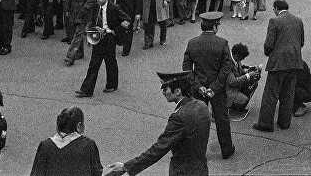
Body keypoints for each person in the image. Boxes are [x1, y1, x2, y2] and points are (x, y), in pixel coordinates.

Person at [104, 71, 210, 176]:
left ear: (177, 91)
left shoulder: (179, 117)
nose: (163, 92)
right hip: (201, 169)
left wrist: (126, 166)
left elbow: (159, 149)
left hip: (182, 171)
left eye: (165, 89)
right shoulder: (202, 106)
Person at [182, 12, 234, 159]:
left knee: (198, 120)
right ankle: (227, 150)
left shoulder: (192, 43)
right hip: (217, 89)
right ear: (215, 27)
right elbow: (226, 68)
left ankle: (198, 152)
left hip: (199, 88)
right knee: (222, 119)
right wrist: (215, 87)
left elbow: (186, 68)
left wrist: (198, 86)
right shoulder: (222, 43)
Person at [253, 0, 305, 132]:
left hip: (278, 63)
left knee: (271, 94)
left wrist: (269, 52)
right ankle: (284, 122)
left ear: (276, 8)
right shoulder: (298, 21)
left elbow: (269, 44)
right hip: (294, 62)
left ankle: (265, 124)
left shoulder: (275, 21)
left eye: (274, 9)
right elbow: (302, 42)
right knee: (288, 94)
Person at [76, 0, 130, 97]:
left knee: (110, 62)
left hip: (109, 38)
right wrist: (90, 35)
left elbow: (127, 20)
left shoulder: (114, 8)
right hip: (98, 37)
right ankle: (86, 90)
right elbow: (92, 21)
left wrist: (115, 31)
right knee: (94, 63)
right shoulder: (96, 7)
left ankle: (112, 85)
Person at [30, 106, 102, 176]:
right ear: (79, 126)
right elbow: (97, 172)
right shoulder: (88, 145)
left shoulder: (45, 146)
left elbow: (36, 173)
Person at [226, 43, 261, 111]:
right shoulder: (227, 63)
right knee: (243, 100)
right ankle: (230, 106)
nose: (243, 59)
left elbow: (240, 72)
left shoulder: (236, 59)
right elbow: (233, 82)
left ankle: (238, 107)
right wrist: (249, 75)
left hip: (234, 87)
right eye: (242, 58)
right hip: (228, 90)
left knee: (253, 83)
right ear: (236, 55)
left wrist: (249, 71)